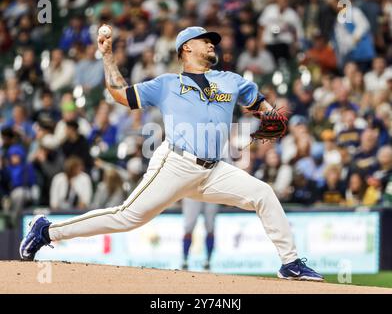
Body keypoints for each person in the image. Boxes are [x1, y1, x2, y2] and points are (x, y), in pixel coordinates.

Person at [20, 25, 323, 281]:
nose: (211, 44)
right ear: (186, 48)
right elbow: (120, 94)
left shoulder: (231, 80)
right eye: (205, 40)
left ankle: (290, 263)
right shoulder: (167, 84)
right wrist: (108, 56)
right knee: (127, 217)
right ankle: (47, 231)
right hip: (175, 162)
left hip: (214, 170)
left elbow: (259, 105)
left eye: (212, 41)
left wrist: (271, 116)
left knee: (263, 193)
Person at [181, 198, 219, 271]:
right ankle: (185, 260)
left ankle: (208, 261)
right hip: (192, 192)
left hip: (211, 192)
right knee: (188, 227)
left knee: (210, 227)